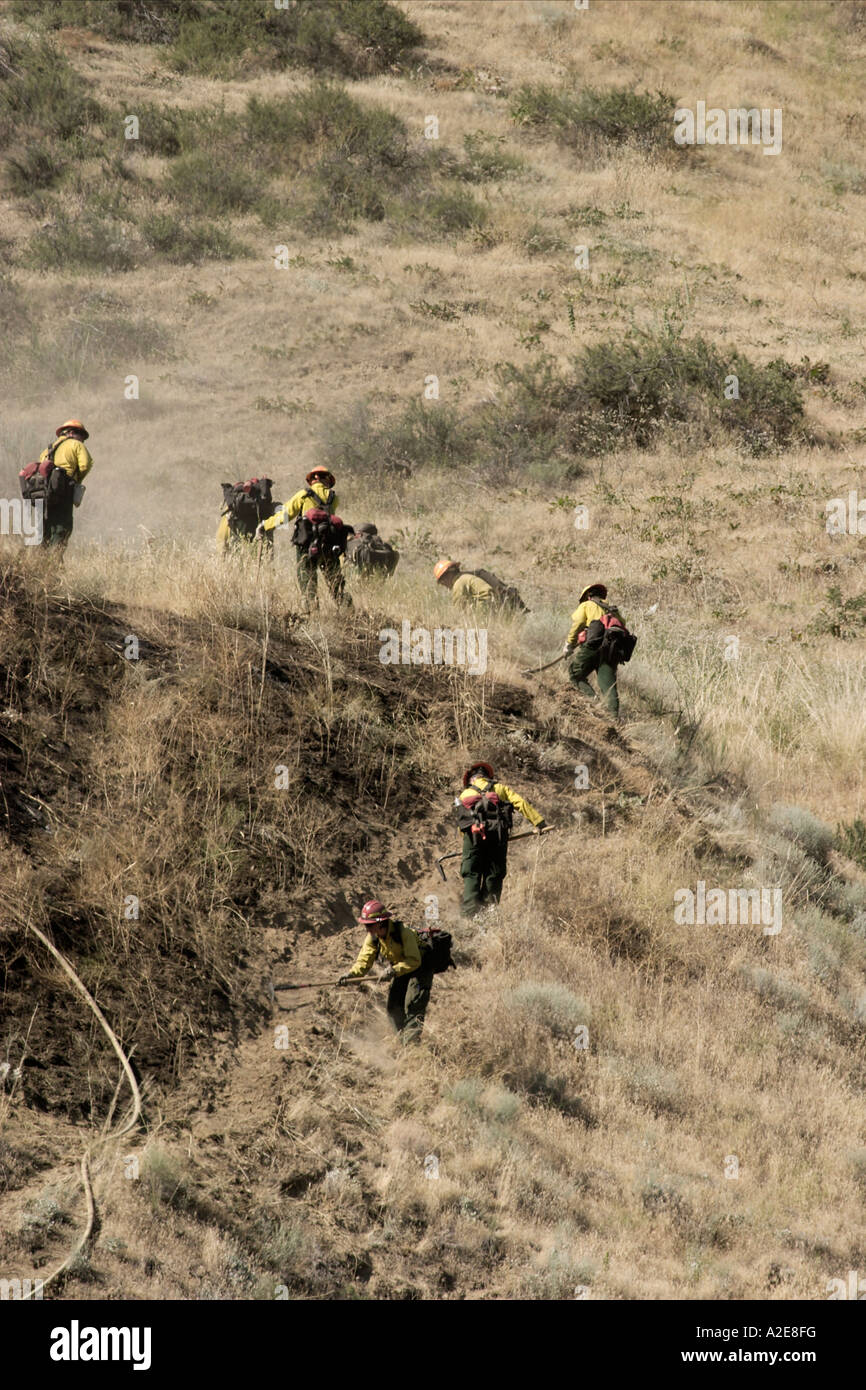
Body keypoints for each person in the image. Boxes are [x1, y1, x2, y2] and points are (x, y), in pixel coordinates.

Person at [454, 762, 545, 917]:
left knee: (472, 874)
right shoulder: (500, 788)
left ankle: (468, 915)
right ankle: (488, 915)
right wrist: (539, 822)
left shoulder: (464, 795)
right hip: (497, 836)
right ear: (487, 777)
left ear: (471, 780)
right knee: (494, 874)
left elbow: (461, 824)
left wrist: (467, 843)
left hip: (473, 838)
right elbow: (520, 803)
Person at [337, 900, 434, 1044]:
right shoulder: (373, 937)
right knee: (393, 1008)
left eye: (369, 925)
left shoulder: (403, 933)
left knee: (413, 1003)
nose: (367, 928)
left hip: (420, 967)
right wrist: (351, 975)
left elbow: (414, 961)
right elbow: (364, 960)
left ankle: (412, 1045)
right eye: (365, 924)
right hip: (400, 970)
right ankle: (403, 1041)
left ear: (381, 923)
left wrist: (393, 970)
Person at [256, 467, 352, 606]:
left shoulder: (303, 495)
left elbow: (285, 515)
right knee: (335, 582)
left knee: (307, 581)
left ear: (313, 479)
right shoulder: (333, 497)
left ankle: (311, 614)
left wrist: (265, 525)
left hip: (306, 544)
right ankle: (347, 612)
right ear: (327, 480)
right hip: (330, 543)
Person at [562, 581, 632, 719]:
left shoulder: (587, 605)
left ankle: (594, 704)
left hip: (593, 646)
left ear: (588, 596)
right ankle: (613, 718)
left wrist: (569, 644)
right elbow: (623, 624)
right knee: (608, 685)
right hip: (612, 650)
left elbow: (579, 622)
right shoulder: (613, 610)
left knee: (575, 674)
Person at [35, 419, 93, 549]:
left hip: (46, 492)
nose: (82, 440)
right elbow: (85, 465)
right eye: (82, 436)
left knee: (48, 525)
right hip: (65, 489)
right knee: (63, 526)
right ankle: (55, 561)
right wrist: (77, 481)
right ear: (72, 433)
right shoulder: (76, 445)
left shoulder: (47, 450)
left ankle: (42, 558)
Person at [434, 559, 527, 615]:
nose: (443, 585)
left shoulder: (459, 583)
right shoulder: (465, 577)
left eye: (442, 581)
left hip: (487, 608)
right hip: (497, 606)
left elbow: (458, 610)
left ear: (448, 575)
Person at [217, 477, 276, 554]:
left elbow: (222, 538)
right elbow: (275, 529)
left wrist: (223, 557)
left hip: (237, 553)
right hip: (260, 552)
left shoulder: (232, 508)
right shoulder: (264, 507)